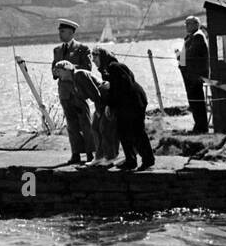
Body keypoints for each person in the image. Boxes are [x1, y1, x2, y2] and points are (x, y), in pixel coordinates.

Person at [95, 47, 155, 171]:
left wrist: (110, 89)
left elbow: (126, 83)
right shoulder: (107, 69)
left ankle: (148, 160)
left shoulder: (114, 66)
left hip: (134, 103)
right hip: (126, 104)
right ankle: (131, 160)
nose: (93, 59)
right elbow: (116, 90)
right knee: (124, 132)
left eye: (95, 56)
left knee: (137, 132)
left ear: (102, 56)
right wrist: (110, 103)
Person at [52, 19, 96, 164]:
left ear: (71, 32)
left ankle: (90, 153)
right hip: (64, 92)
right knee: (71, 125)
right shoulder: (57, 50)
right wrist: (56, 71)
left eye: (62, 31)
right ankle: (75, 154)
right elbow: (54, 71)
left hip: (78, 91)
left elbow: (87, 69)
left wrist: (71, 68)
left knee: (85, 123)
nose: (60, 34)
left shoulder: (82, 48)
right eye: (59, 31)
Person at [178, 16, 210, 133]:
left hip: (195, 76)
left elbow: (189, 55)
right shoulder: (191, 37)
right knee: (194, 102)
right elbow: (184, 57)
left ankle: (201, 127)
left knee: (197, 102)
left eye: (189, 24)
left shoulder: (198, 37)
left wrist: (180, 56)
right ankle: (199, 126)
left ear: (196, 24)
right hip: (190, 76)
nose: (186, 26)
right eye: (186, 24)